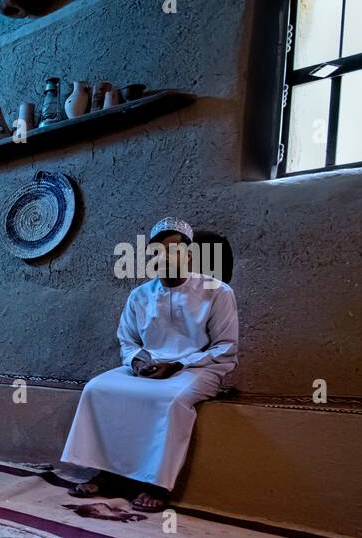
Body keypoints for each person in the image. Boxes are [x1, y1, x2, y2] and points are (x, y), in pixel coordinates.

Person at [61, 217, 239, 511]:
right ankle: (107, 473)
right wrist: (137, 360)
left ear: (190, 254)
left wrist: (179, 364)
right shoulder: (140, 295)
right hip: (150, 367)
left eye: (174, 250)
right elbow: (127, 340)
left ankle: (156, 483)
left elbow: (225, 346)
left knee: (170, 400)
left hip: (201, 368)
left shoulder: (217, 292)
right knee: (98, 388)